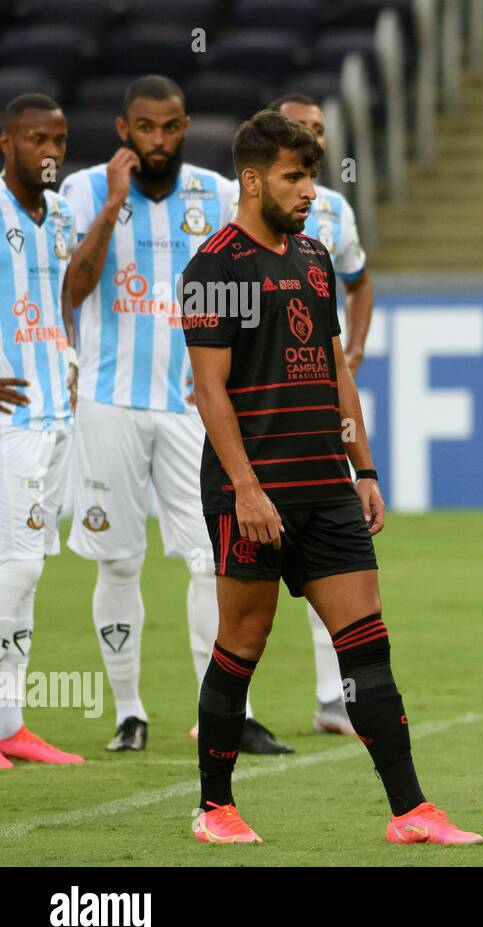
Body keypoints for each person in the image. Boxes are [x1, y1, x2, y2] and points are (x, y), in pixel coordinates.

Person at [182, 109, 481, 845]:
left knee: (367, 646)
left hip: (325, 486)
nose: (309, 190)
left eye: (311, 175)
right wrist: (247, 488)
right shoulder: (214, 268)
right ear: (252, 181)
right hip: (251, 491)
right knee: (241, 645)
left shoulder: (314, 258)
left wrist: (366, 468)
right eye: (294, 176)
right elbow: (210, 391)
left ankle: (410, 810)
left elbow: (339, 377)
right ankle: (215, 807)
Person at [59, 75, 288, 754]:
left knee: (209, 559)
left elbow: (248, 282)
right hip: (109, 404)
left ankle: (220, 713)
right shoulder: (83, 191)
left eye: (171, 126)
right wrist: (113, 207)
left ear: (185, 127)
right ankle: (129, 712)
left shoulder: (215, 196)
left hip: (193, 408)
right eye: (145, 127)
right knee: (120, 563)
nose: (159, 139)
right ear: (124, 129)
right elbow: (73, 290)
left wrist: (236, 370)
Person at [268, 91, 375, 737]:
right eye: (297, 130)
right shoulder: (231, 219)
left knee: (331, 556)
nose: (311, 137)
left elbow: (359, 279)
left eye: (318, 131)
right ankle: (229, 713)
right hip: (255, 418)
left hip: (314, 412)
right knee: (228, 574)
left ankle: (338, 699)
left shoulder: (331, 214)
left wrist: (351, 350)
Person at [0, 93, 82, 767]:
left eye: (57, 138)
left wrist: (71, 357)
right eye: (35, 139)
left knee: (28, 572)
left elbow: (55, 302)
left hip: (55, 414)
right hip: (10, 421)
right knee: (16, 569)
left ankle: (9, 723)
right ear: (7, 144)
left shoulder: (58, 217)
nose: (50, 150)